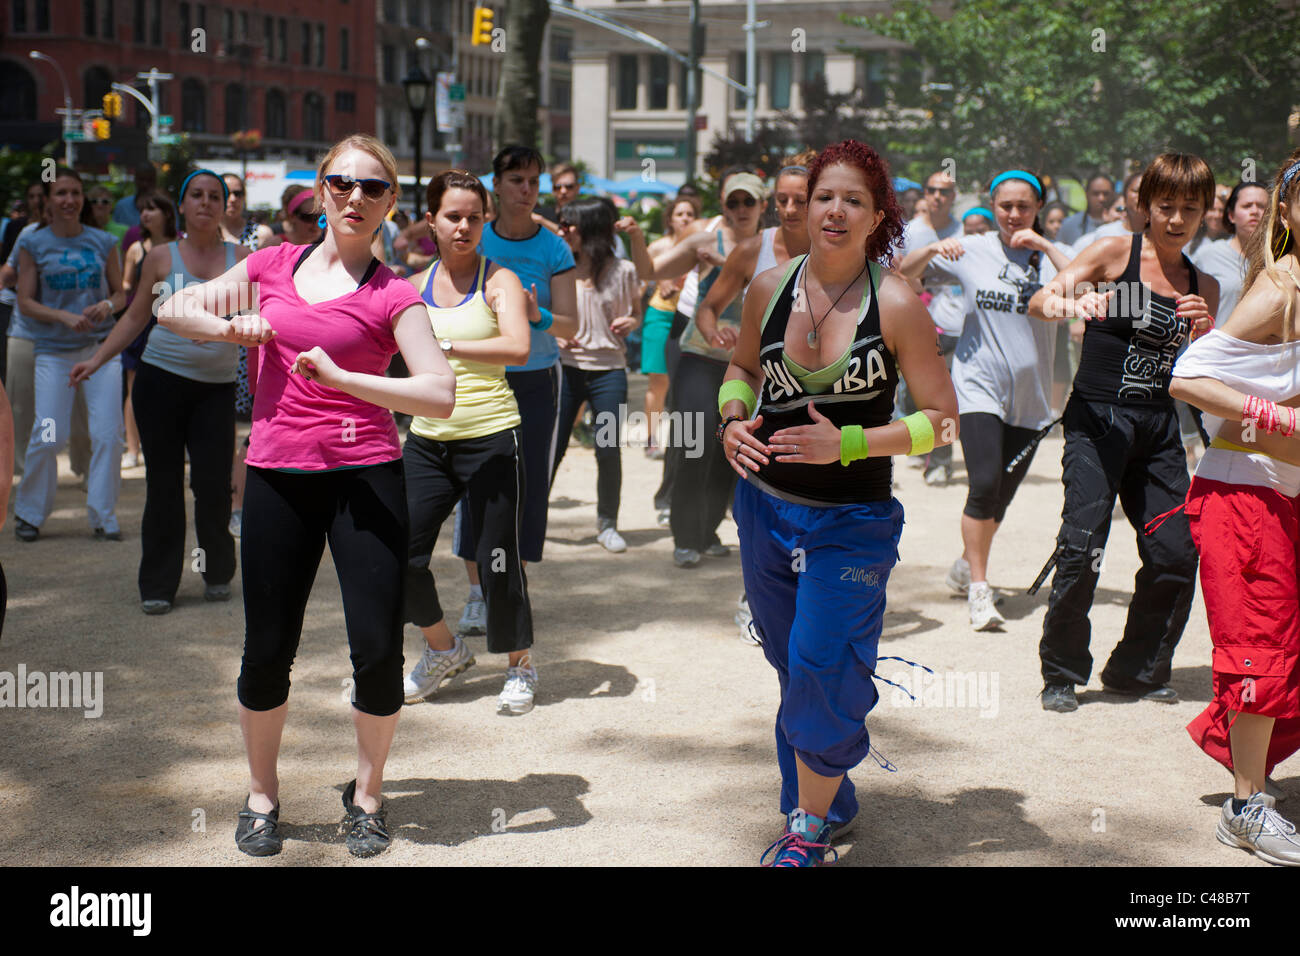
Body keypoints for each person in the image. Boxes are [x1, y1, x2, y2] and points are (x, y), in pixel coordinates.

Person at [155, 134, 455, 858]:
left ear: (389, 205)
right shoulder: (268, 268)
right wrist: (231, 327)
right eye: (344, 183)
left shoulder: (393, 293)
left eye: (374, 188)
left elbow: (438, 393)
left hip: (368, 478)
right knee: (267, 647)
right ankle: (261, 795)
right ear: (322, 190)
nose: (357, 197)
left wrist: (348, 380)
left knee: (378, 650)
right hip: (279, 476)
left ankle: (369, 795)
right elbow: (172, 308)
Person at [719, 140, 959, 866]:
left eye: (854, 200)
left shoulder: (894, 303)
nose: (835, 210)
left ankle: (809, 829)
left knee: (825, 663)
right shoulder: (767, 288)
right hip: (763, 508)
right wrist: (732, 421)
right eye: (826, 195)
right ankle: (832, 792)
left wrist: (847, 443)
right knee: (795, 665)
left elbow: (940, 421)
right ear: (805, 202)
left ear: (877, 216)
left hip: (852, 522)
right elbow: (738, 368)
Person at [1027, 152, 1219, 713]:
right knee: (1083, 546)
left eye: (1190, 208)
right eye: (1165, 207)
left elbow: (1207, 368)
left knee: (1177, 553)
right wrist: (1072, 300)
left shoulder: (1201, 282)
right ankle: (1061, 672)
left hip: (1159, 430)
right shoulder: (1115, 251)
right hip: (1096, 422)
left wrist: (1207, 331)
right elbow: (1041, 301)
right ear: (1144, 206)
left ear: (1207, 212)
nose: (1176, 219)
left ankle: (1136, 669)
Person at [1170, 149, 1300, 864]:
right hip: (1248, 494)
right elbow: (1189, 375)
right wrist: (1283, 423)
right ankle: (1245, 807)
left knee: (1287, 648)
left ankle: (1245, 759)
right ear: (1287, 212)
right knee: (1262, 644)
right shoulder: (1281, 286)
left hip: (1287, 494)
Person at [71, 170, 247, 614]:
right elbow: (133, 319)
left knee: (211, 485)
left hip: (215, 390)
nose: (205, 202)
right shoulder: (161, 257)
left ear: (223, 206)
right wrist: (98, 358)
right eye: (196, 196)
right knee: (163, 485)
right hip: (160, 382)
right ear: (182, 206)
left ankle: (216, 571)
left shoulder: (242, 258)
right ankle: (159, 584)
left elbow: (256, 319)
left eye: (214, 196)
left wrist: (229, 335)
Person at [901, 169, 1070, 631]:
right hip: (978, 389)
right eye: (1005, 206)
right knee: (984, 484)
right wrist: (935, 248)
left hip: (1032, 403)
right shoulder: (972, 250)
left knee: (1001, 497)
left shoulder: (1055, 258)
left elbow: (1079, 288)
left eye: (1024, 206)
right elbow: (903, 275)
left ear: (1038, 208)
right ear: (992, 207)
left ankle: (963, 564)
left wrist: (1045, 246)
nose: (1014, 215)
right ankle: (979, 588)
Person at [400, 170, 535, 711]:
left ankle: (520, 665)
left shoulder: (498, 280)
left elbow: (518, 347)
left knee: (497, 557)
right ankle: (444, 650)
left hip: (490, 436)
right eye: (453, 216)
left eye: (474, 217)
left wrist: (444, 341)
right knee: (399, 552)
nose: (464, 226)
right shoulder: (409, 287)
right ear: (431, 220)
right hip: (428, 440)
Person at [449, 146, 579, 689]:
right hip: (481, 375)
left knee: (525, 486)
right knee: (474, 480)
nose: (526, 189)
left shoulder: (554, 248)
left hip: (536, 378)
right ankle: (479, 592)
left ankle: (512, 585)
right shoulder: (477, 236)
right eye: (515, 179)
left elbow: (571, 326)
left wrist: (535, 313)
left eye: (533, 180)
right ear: (495, 185)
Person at [650, 171, 766, 567]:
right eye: (732, 203)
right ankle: (685, 536)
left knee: (728, 452)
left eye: (748, 202)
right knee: (694, 446)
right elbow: (653, 269)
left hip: (749, 366)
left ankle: (708, 529)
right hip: (699, 358)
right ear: (723, 206)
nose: (740, 210)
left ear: (762, 206)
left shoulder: (772, 248)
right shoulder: (704, 240)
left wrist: (727, 264)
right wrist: (634, 239)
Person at [11, 167, 125, 543]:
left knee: (108, 435)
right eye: (61, 193)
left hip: (101, 351)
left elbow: (121, 294)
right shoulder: (33, 243)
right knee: (49, 434)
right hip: (53, 354)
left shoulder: (104, 241)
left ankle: (103, 515)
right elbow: (25, 302)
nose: (70, 200)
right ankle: (29, 513)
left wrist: (106, 305)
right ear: (48, 200)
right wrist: (61, 315)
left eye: (76, 193)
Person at [550, 198, 646, 555]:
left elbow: (637, 311)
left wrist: (632, 322)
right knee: (554, 446)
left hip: (609, 371)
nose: (563, 231)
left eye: (570, 225)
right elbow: (542, 314)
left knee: (607, 449)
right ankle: (531, 517)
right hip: (566, 367)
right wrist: (554, 332)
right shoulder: (559, 267)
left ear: (589, 229)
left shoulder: (623, 271)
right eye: (561, 224)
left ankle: (608, 524)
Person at [900, 168, 963, 486]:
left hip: (955, 328)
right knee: (914, 395)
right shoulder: (909, 234)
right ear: (925, 194)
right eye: (932, 190)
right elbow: (896, 275)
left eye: (945, 192)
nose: (938, 196)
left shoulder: (965, 231)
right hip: (915, 328)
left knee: (945, 395)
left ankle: (940, 462)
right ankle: (922, 446)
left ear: (954, 197)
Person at [118, 191, 179, 471]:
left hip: (175, 323)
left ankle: (177, 446)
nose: (145, 214)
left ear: (167, 214)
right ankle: (132, 449)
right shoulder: (135, 249)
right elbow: (126, 286)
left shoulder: (181, 245)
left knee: (173, 389)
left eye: (152, 208)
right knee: (134, 390)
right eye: (143, 209)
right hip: (141, 323)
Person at [641, 195, 700, 458]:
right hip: (660, 315)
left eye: (689, 214)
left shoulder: (701, 247)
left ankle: (681, 441)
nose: (685, 219)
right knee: (658, 382)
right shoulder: (657, 247)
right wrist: (658, 282)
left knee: (683, 382)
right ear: (670, 219)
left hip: (690, 319)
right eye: (680, 214)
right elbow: (641, 282)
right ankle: (651, 437)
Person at [1192, 180, 1270, 328]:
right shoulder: (1207, 256)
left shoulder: (1280, 260)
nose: (1254, 211)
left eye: (1262, 206)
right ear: (1231, 215)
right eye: (1247, 206)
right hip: (1216, 348)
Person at [1056, 172, 1115, 246]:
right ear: (1086, 194)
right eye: (1096, 193)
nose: (1101, 198)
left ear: (1113, 194)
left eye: (1106, 193)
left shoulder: (1122, 224)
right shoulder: (1070, 225)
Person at [111, 164, 158, 230]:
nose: (145, 184)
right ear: (135, 180)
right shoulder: (122, 206)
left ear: (155, 181)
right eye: (141, 179)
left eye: (149, 180)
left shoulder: (165, 206)